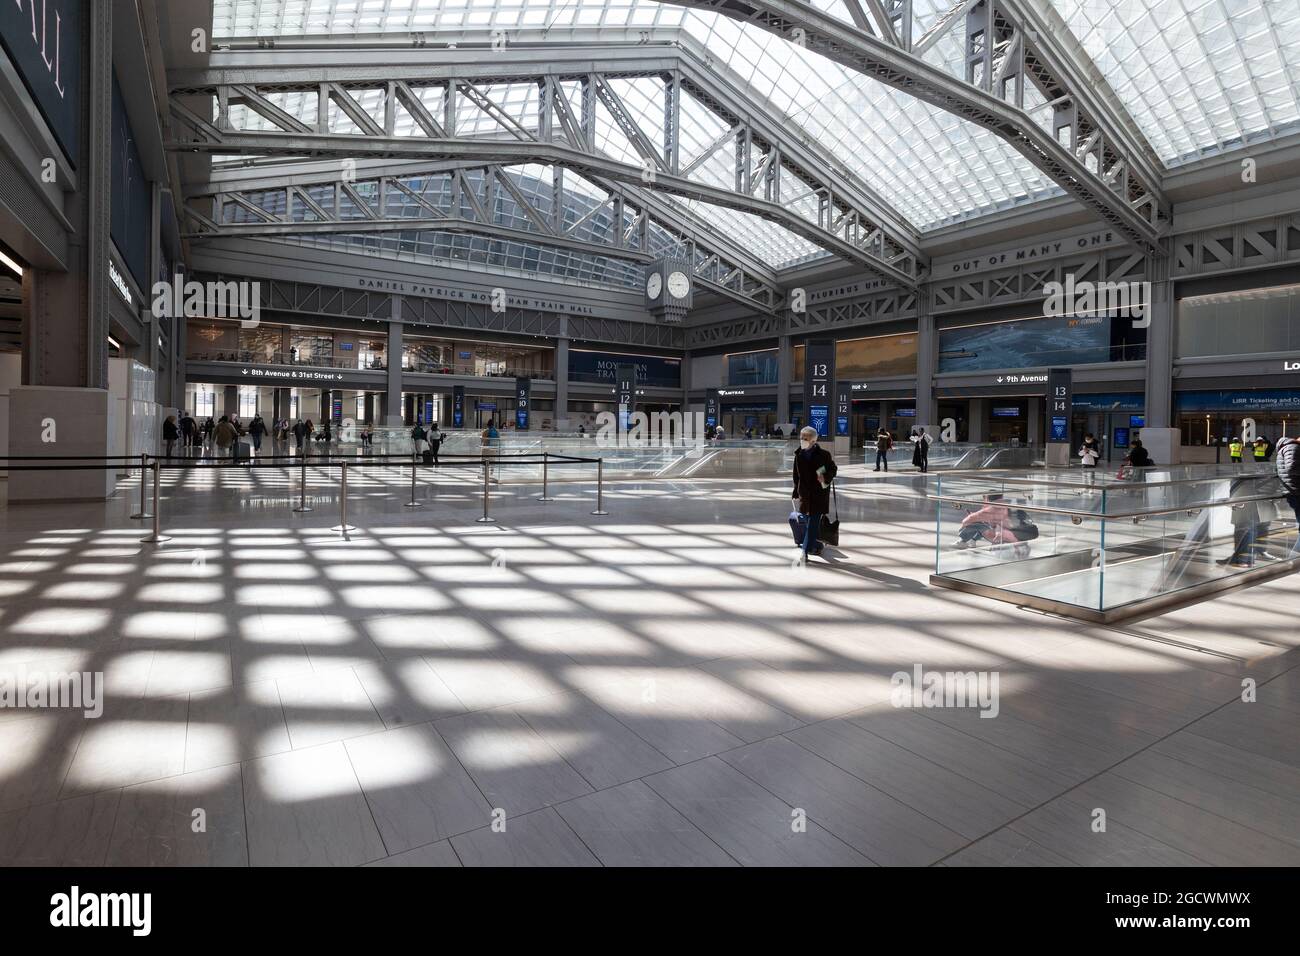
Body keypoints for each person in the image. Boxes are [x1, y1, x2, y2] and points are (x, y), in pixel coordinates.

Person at [791, 425, 836, 563]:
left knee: (812, 523)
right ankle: (816, 544)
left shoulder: (824, 455)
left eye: (805, 438)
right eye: (801, 438)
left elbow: (833, 469)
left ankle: (804, 552)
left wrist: (826, 477)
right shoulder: (798, 455)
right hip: (804, 495)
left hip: (818, 495)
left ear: (813, 441)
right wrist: (795, 491)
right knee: (808, 523)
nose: (802, 440)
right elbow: (796, 476)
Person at [953, 494, 1037, 559]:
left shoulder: (990, 510)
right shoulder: (1005, 506)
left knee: (977, 525)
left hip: (1004, 538)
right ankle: (973, 540)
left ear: (988, 499)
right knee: (984, 523)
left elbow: (966, 521)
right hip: (1015, 534)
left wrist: (964, 526)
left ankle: (962, 541)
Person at [1276, 436, 1300, 555]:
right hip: (1296, 492)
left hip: (1294, 491)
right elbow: (1292, 468)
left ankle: (1293, 560)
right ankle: (1293, 560)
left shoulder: (1291, 447)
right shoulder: (1293, 447)